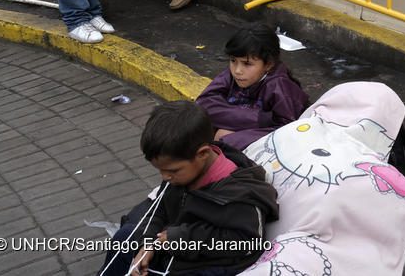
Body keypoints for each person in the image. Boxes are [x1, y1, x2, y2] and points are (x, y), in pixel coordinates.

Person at [101, 101, 279, 276]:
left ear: (202, 154)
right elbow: (159, 209)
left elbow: (246, 243)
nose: (165, 177)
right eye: (160, 170)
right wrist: (147, 243)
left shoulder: (239, 195)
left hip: (210, 263)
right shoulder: (182, 176)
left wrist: (181, 238)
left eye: (172, 170)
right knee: (125, 237)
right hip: (176, 247)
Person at [196, 22, 309, 150]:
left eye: (247, 64)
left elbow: (288, 130)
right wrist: (260, 119)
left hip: (278, 143)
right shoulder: (233, 75)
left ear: (269, 64)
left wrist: (231, 138)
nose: (237, 70)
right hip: (253, 125)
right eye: (233, 61)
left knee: (224, 140)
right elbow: (204, 103)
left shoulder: (280, 87)